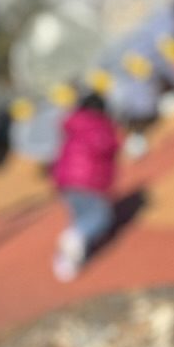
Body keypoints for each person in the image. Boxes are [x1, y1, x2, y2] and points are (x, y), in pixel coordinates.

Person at [49, 90, 120, 281]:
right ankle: (73, 240)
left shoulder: (72, 124)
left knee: (79, 218)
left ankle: (66, 264)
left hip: (66, 181)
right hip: (90, 182)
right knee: (100, 218)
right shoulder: (99, 126)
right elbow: (108, 145)